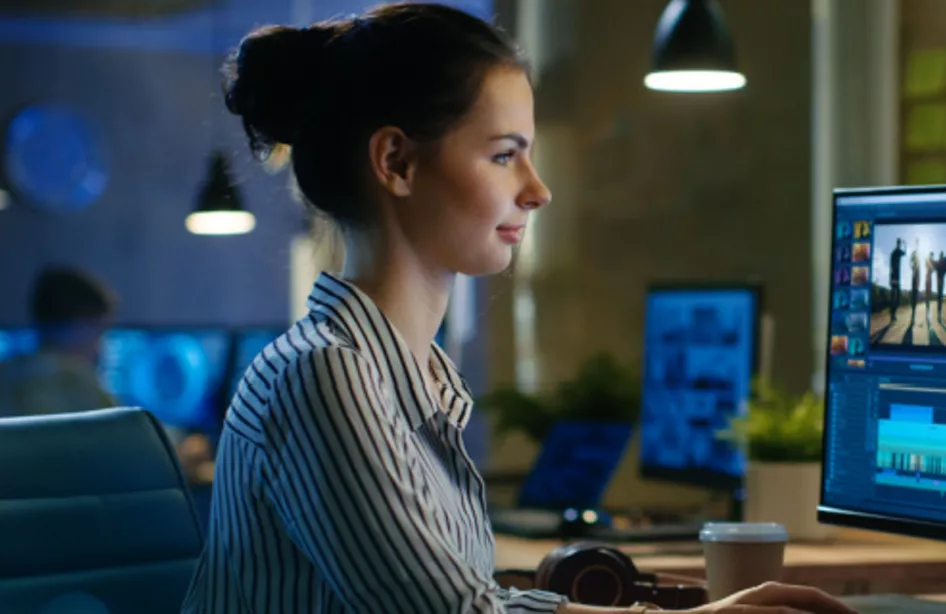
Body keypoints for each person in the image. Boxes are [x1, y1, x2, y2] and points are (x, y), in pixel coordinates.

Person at [185, 5, 858, 614]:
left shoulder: (414, 376)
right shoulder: (322, 376)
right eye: (505, 155)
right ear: (396, 161)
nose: (538, 191)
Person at [0, 266, 117, 417]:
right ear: (81, 324)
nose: (100, 348)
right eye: (100, 331)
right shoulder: (79, 384)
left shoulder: (6, 375)